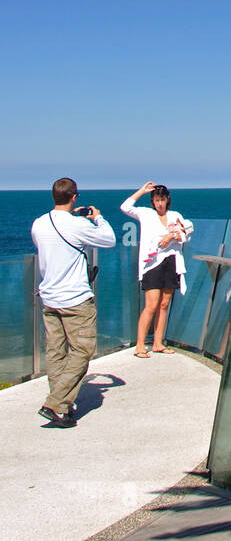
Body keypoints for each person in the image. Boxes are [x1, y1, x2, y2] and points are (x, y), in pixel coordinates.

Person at [31, 178, 118, 427]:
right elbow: (109, 239)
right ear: (74, 197)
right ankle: (55, 403)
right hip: (76, 300)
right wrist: (98, 218)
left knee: (56, 353)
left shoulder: (39, 224)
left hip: (49, 298)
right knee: (82, 351)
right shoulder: (77, 225)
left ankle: (63, 408)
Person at [121, 182, 194, 357]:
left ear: (167, 199)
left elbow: (187, 233)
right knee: (151, 304)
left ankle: (158, 343)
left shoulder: (175, 215)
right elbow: (125, 207)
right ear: (152, 201)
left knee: (164, 304)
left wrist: (171, 236)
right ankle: (140, 345)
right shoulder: (145, 214)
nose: (159, 203)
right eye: (156, 200)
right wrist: (142, 190)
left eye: (162, 199)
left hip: (172, 261)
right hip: (151, 264)